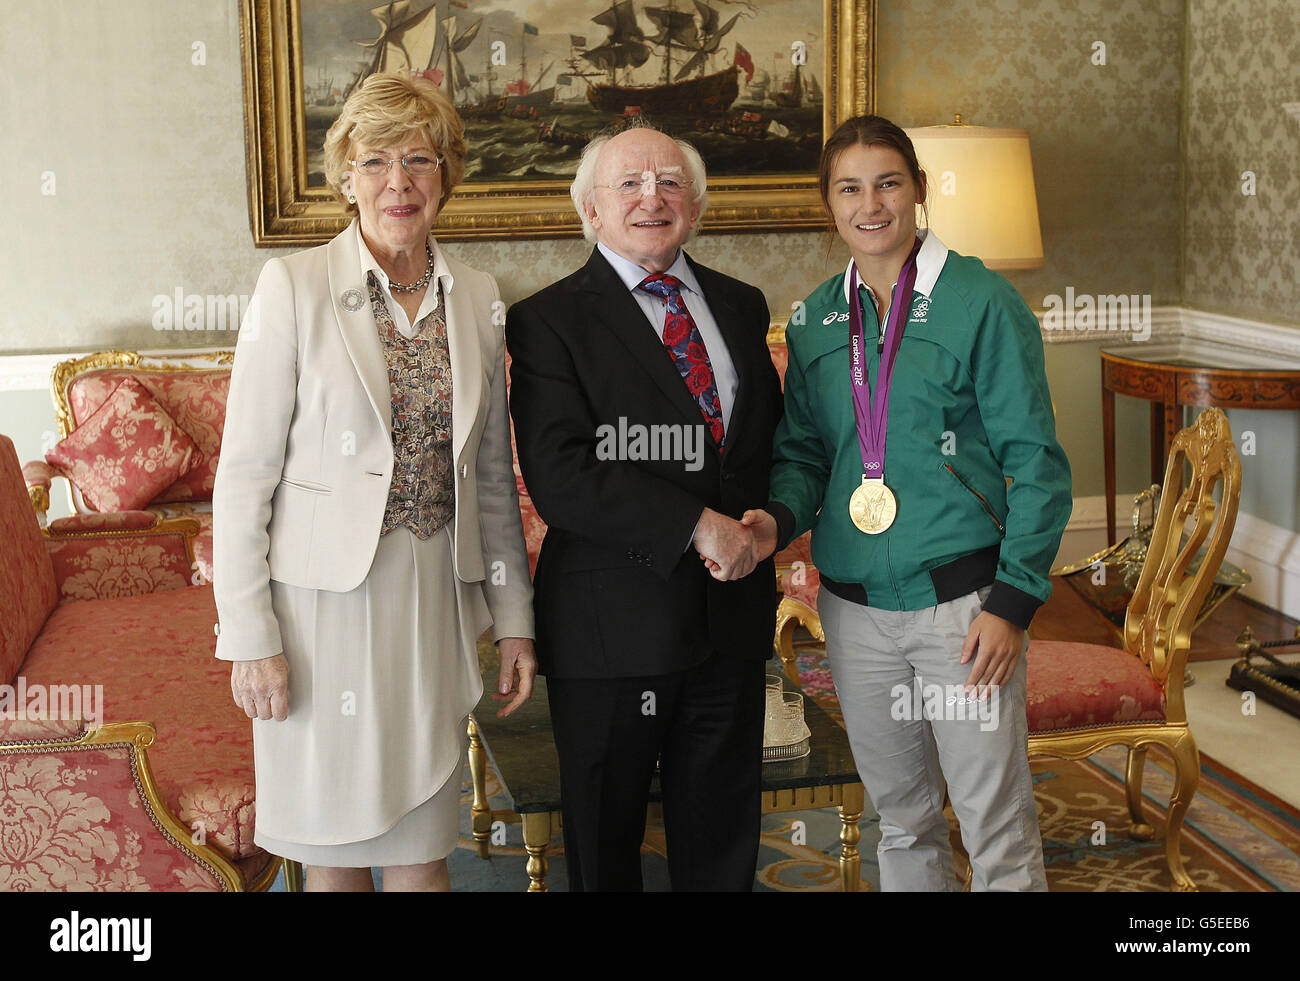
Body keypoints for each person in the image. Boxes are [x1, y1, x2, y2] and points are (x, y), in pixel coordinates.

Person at [212, 72, 536, 892]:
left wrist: (515, 619)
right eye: (376, 161)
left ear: (445, 176)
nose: (400, 182)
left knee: (422, 849)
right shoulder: (292, 287)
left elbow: (491, 478)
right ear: (346, 179)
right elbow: (244, 477)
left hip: (432, 602)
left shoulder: (479, 298)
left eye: (419, 160)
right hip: (318, 614)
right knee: (334, 850)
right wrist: (251, 637)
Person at [743, 115, 1072, 891]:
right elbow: (805, 454)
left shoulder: (982, 302)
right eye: (849, 188)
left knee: (994, 824)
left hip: (964, 608)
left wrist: (1013, 602)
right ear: (828, 203)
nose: (871, 204)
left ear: (919, 189)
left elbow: (1038, 465)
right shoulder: (815, 318)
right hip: (854, 612)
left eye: (888, 183)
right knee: (902, 818)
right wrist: (776, 519)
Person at [505, 123, 784, 891]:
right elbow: (562, 474)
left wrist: (771, 522)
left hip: (730, 624)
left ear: (694, 204)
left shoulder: (741, 305)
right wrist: (696, 526)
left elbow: (767, 445)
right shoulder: (547, 320)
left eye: (668, 182)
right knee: (606, 847)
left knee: (723, 847)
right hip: (611, 633)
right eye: (628, 183)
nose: (650, 198)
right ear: (590, 210)